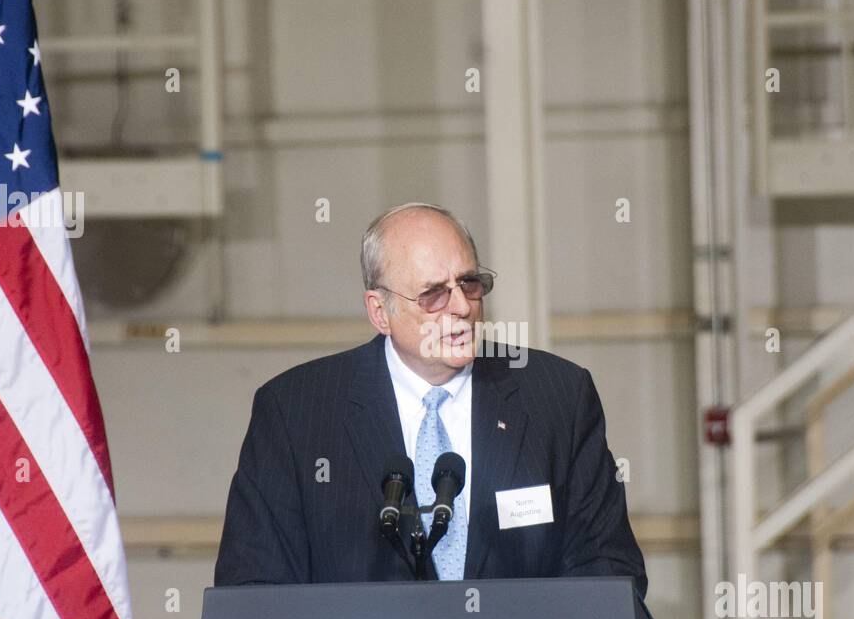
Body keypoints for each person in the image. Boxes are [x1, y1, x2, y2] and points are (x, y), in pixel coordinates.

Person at [215, 202, 647, 596]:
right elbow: (255, 588)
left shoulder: (558, 397)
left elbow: (606, 569)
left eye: (469, 283)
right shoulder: (297, 412)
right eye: (433, 294)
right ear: (380, 311)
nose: (460, 306)